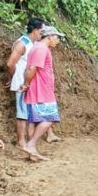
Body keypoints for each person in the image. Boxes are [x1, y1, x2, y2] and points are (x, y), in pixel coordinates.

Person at [20, 24, 65, 161]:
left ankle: (32, 153)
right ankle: (31, 144)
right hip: (41, 91)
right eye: (57, 38)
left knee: (33, 121)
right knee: (50, 118)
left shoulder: (38, 47)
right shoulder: (41, 49)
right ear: (50, 36)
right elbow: (32, 68)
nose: (58, 41)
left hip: (38, 89)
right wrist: (26, 83)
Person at [5, 17, 45, 149]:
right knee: (22, 113)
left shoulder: (33, 44)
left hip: (28, 83)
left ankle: (27, 141)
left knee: (27, 113)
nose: (42, 33)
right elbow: (10, 63)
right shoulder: (22, 43)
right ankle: (21, 141)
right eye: (41, 31)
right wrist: (13, 78)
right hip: (22, 83)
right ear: (34, 30)